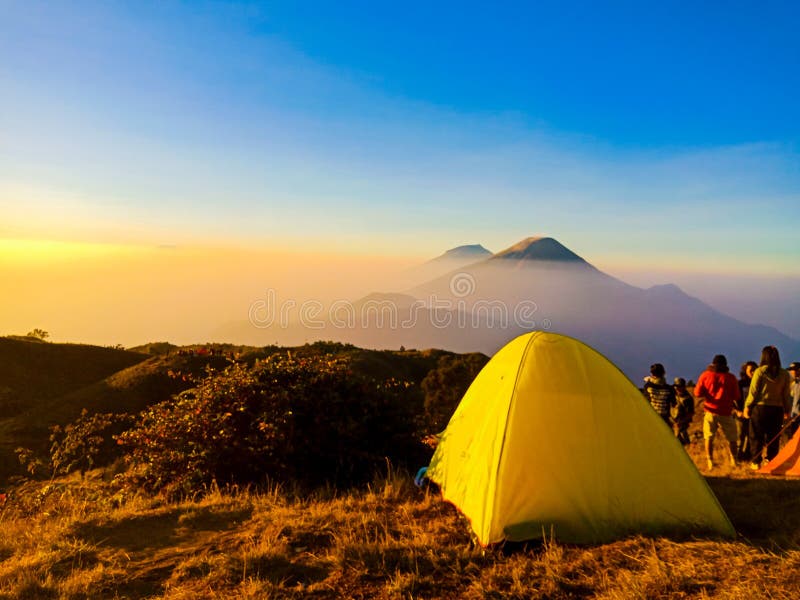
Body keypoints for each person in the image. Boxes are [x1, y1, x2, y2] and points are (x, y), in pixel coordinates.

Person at [744, 346, 792, 469]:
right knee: (774, 438)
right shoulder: (784, 374)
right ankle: (771, 461)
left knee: (756, 436)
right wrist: (787, 410)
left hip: (760, 408)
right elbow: (786, 395)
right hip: (777, 409)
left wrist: (747, 406)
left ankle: (756, 461)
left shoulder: (760, 371)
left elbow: (753, 392)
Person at [694, 354, 740, 470]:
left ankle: (710, 461)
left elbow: (697, 393)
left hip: (710, 411)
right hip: (726, 411)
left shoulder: (705, 375)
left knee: (708, 437)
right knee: (732, 437)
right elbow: (736, 396)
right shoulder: (730, 377)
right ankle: (733, 460)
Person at [735, 361, 758, 462]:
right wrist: (736, 411)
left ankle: (748, 455)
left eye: (754, 370)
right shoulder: (740, 384)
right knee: (740, 436)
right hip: (741, 414)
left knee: (752, 436)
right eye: (750, 370)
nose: (752, 372)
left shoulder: (759, 383)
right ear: (745, 371)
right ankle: (738, 456)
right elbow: (733, 399)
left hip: (755, 414)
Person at [672, 377, 695, 446]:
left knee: (682, 434)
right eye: (676, 386)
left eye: (678, 386)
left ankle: (688, 446)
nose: (676, 388)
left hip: (682, 421)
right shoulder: (674, 394)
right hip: (674, 420)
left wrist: (681, 422)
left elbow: (690, 413)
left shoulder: (687, 399)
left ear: (683, 387)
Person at [787, 362, 800, 438]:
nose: (791, 372)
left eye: (793, 370)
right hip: (793, 418)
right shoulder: (793, 384)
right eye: (790, 370)